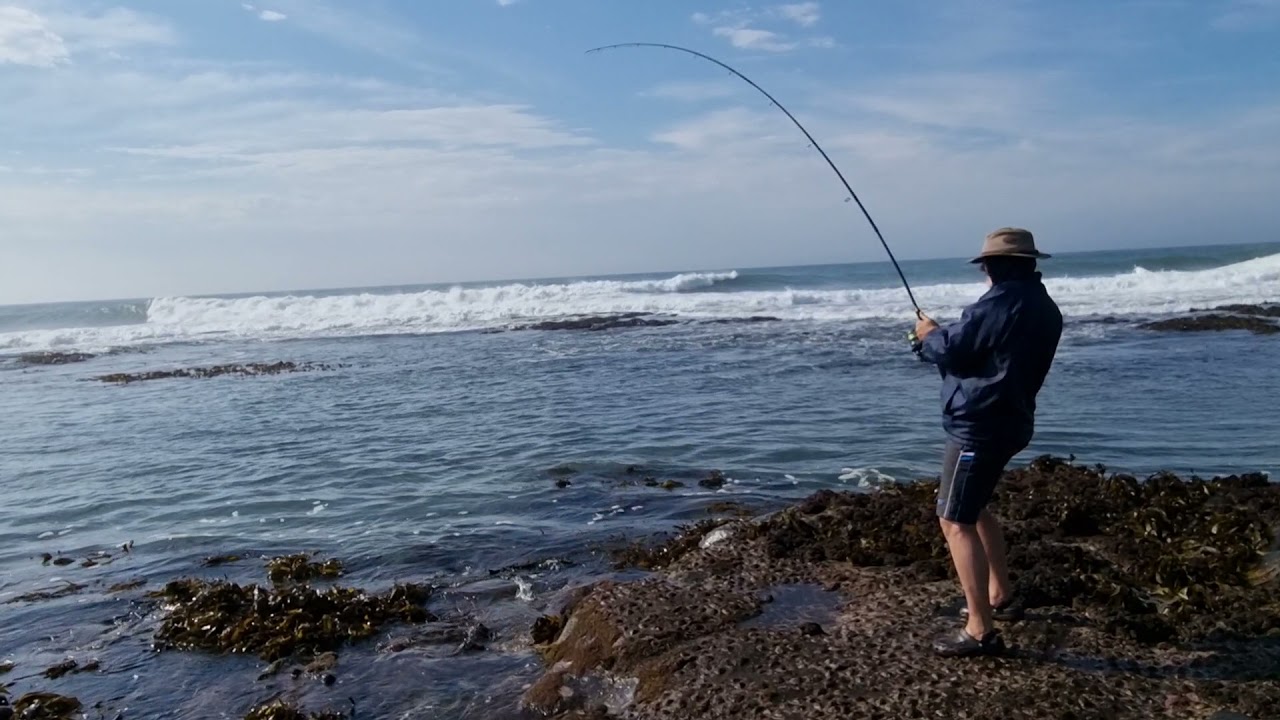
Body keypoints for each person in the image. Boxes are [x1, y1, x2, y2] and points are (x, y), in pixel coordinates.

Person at [912, 227, 1063, 658]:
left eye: (986, 266)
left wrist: (927, 335)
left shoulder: (998, 304)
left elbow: (953, 349)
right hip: (1012, 420)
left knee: (953, 520)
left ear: (992, 266)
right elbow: (985, 353)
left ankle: (980, 629)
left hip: (979, 426)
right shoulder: (1043, 306)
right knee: (973, 507)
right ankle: (999, 592)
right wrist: (937, 341)